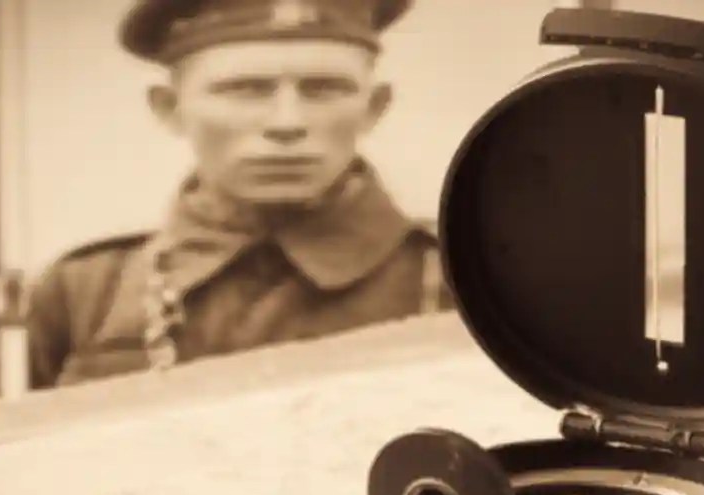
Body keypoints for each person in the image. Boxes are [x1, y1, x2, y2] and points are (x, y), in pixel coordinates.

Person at [25, 0, 451, 389]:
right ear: (169, 108)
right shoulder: (85, 293)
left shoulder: (452, 279)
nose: (287, 122)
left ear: (374, 107)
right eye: (245, 89)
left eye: (324, 89)